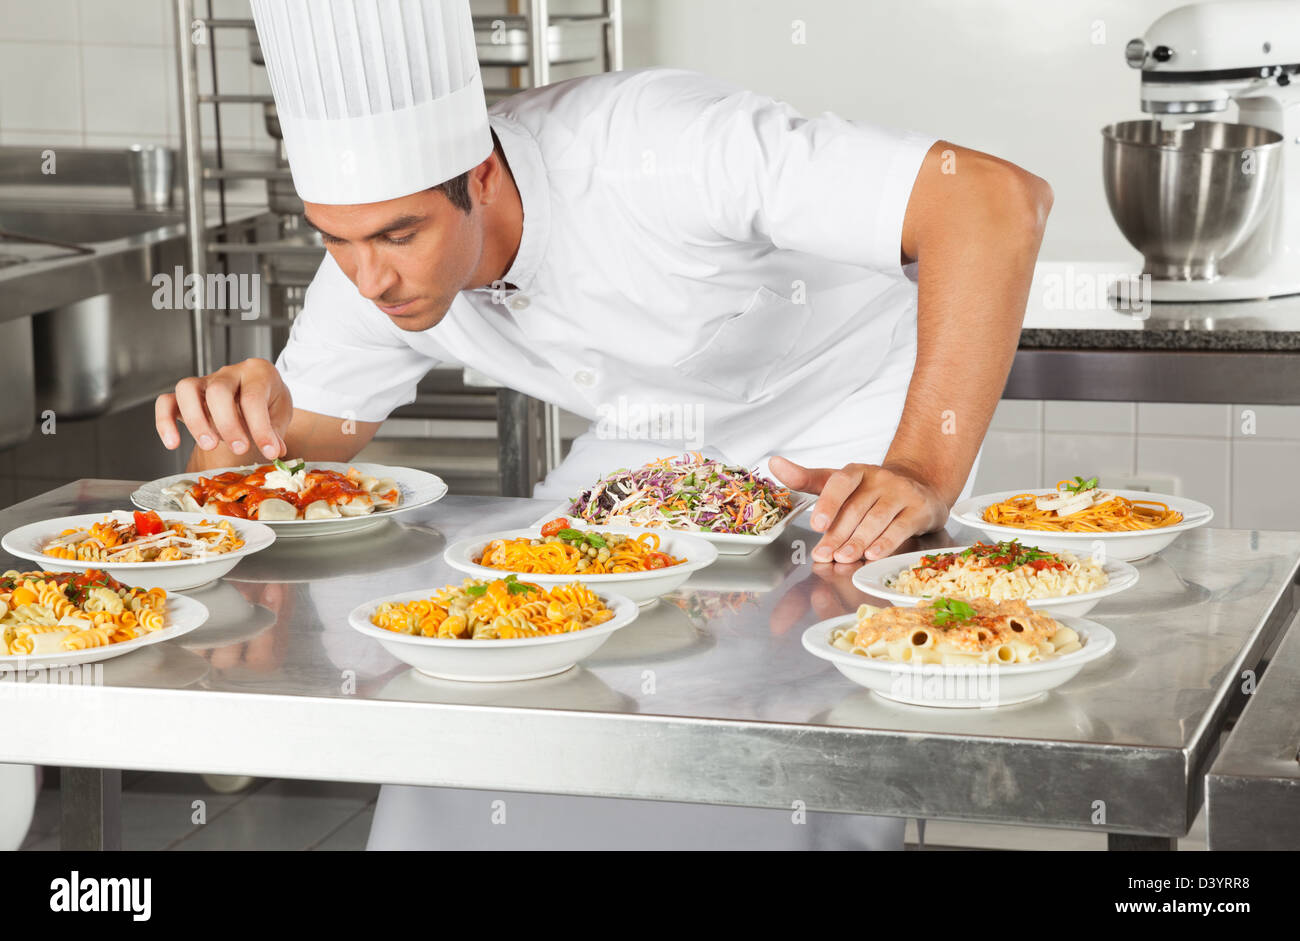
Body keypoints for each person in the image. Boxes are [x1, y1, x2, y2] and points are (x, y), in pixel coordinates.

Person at [156, 0, 1051, 849]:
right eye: (333, 238)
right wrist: (236, 423)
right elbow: (264, 480)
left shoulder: (659, 146)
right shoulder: (369, 265)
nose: (370, 280)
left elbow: (994, 201)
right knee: (482, 696)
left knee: (785, 718)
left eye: (399, 236)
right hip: (645, 454)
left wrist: (922, 466)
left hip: (851, 430)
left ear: (481, 177)